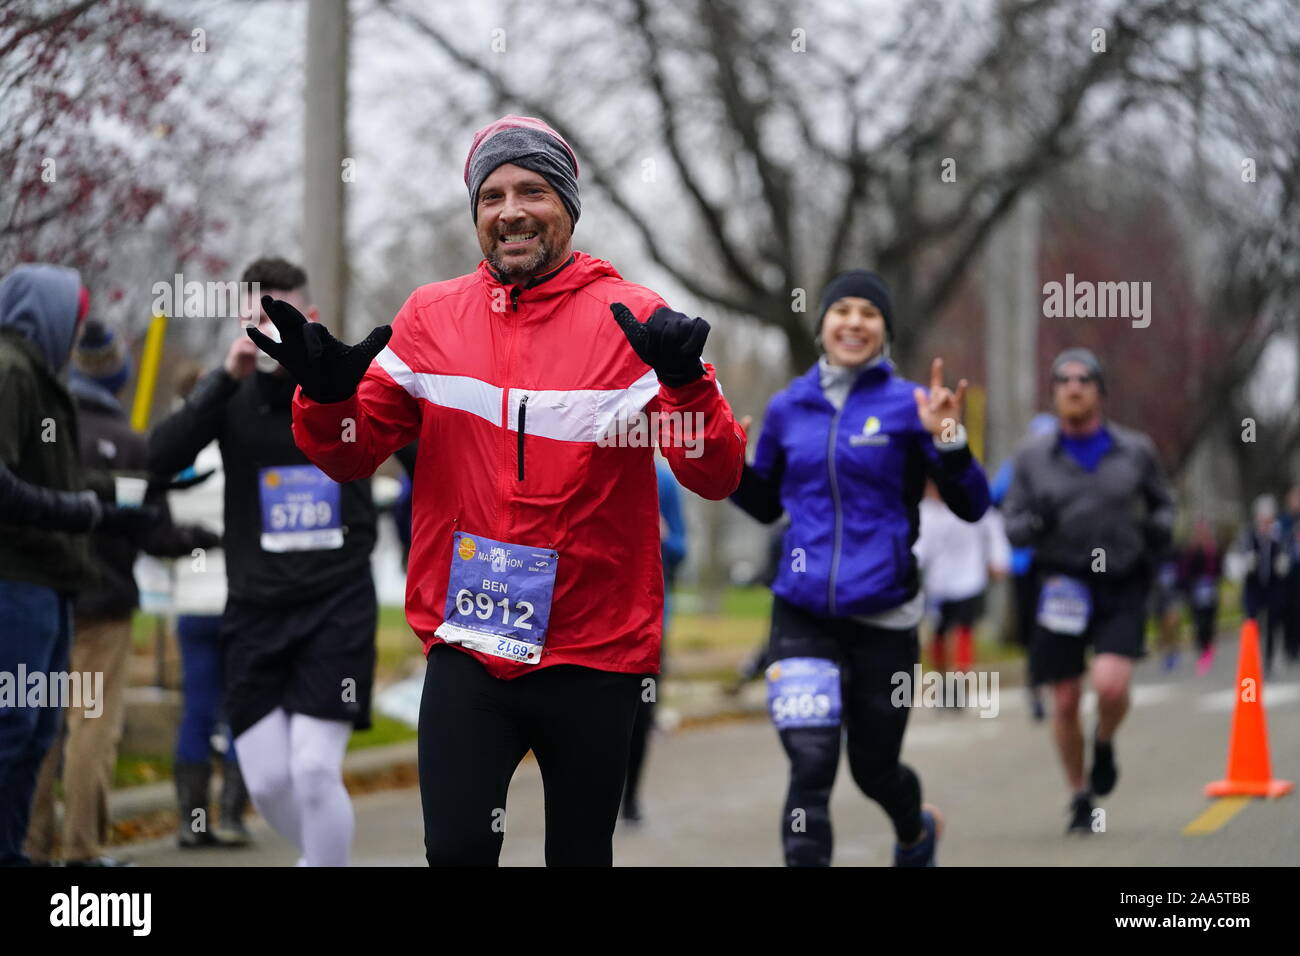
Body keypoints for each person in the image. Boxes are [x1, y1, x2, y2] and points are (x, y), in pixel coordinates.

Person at [248, 115, 745, 866]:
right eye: (492, 195)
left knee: (579, 857)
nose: (510, 209)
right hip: (470, 645)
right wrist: (322, 398)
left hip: (593, 650)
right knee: (455, 852)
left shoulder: (635, 320)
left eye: (533, 191)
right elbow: (351, 456)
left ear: (569, 207)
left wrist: (686, 386)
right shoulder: (430, 318)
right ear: (477, 213)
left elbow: (716, 474)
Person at [728, 269, 989, 867]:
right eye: (840, 309)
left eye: (868, 313)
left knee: (874, 771)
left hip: (885, 615)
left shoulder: (913, 406)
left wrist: (949, 438)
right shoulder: (789, 407)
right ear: (822, 325)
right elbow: (767, 503)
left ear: (885, 331)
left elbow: (973, 506)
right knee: (812, 760)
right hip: (801, 613)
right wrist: (733, 469)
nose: (853, 321)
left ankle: (916, 828)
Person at [149, 258, 380, 867]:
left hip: (337, 603)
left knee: (310, 767)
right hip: (254, 611)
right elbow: (157, 456)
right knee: (272, 781)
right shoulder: (232, 394)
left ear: (312, 318)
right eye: (260, 316)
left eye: (286, 315)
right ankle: (325, 858)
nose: (274, 330)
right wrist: (223, 379)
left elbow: (427, 456)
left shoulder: (350, 384)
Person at [23, 322, 219, 866]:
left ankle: (31, 846)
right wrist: (200, 541)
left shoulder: (48, 428)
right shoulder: (132, 444)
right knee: (92, 728)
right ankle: (84, 849)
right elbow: (154, 532)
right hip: (105, 605)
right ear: (118, 376)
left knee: (44, 725)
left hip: (46, 599)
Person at [0, 265, 154, 867]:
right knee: (13, 729)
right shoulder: (11, 371)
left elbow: (61, 478)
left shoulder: (38, 376)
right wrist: (74, 511)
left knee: (38, 733)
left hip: (53, 584)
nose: (73, 335)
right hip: (18, 582)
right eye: (71, 316)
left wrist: (111, 502)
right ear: (46, 313)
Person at [1002, 348, 1174, 834]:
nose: (1074, 387)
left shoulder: (1135, 450)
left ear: (1100, 392)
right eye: (1064, 381)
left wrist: (1159, 526)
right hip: (1061, 586)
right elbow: (1010, 522)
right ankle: (1080, 794)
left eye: (1084, 380)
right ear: (1054, 393)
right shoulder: (1033, 457)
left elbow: (1164, 502)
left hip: (1121, 580)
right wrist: (1032, 523)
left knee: (1111, 684)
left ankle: (1104, 740)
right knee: (1063, 701)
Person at [162, 362, 250, 849]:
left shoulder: (172, 445)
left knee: (196, 707)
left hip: (190, 597)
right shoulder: (229, 435)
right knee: (238, 706)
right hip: (235, 594)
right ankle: (233, 815)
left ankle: (190, 823)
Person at [621, 456, 688, 824]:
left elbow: (682, 548)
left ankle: (630, 799)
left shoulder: (663, 479)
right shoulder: (584, 462)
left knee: (640, 715)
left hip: (650, 620)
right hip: (594, 619)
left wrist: (663, 536)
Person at [914, 479, 1011, 702]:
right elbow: (919, 549)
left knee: (962, 634)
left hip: (969, 581)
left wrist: (998, 560)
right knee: (937, 637)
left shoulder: (972, 504)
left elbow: (994, 530)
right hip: (938, 586)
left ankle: (958, 688)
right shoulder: (926, 512)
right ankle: (942, 682)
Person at [989, 412, 1057, 720]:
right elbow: (992, 498)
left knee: (1056, 622)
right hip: (1024, 562)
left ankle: (1054, 677)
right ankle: (1037, 681)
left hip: (1059, 561)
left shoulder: (1068, 467)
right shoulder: (1016, 466)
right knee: (1032, 624)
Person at [1237, 494, 1288, 677]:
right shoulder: (1249, 536)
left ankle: (1268, 660)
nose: (1266, 524)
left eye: (1269, 520)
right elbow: (1237, 559)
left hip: (1272, 587)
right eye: (1263, 519)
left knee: (1272, 624)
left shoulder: (1277, 539)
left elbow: (1284, 558)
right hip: (1254, 588)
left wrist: (1283, 564)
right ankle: (1251, 659)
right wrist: (1246, 562)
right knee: (1251, 623)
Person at [1179, 517, 1222, 677]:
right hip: (1196, 593)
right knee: (1199, 622)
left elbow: (1218, 569)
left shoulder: (1212, 550)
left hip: (1210, 592)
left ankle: (1208, 647)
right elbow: (1184, 571)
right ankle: (1202, 651)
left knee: (1209, 622)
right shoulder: (1190, 551)